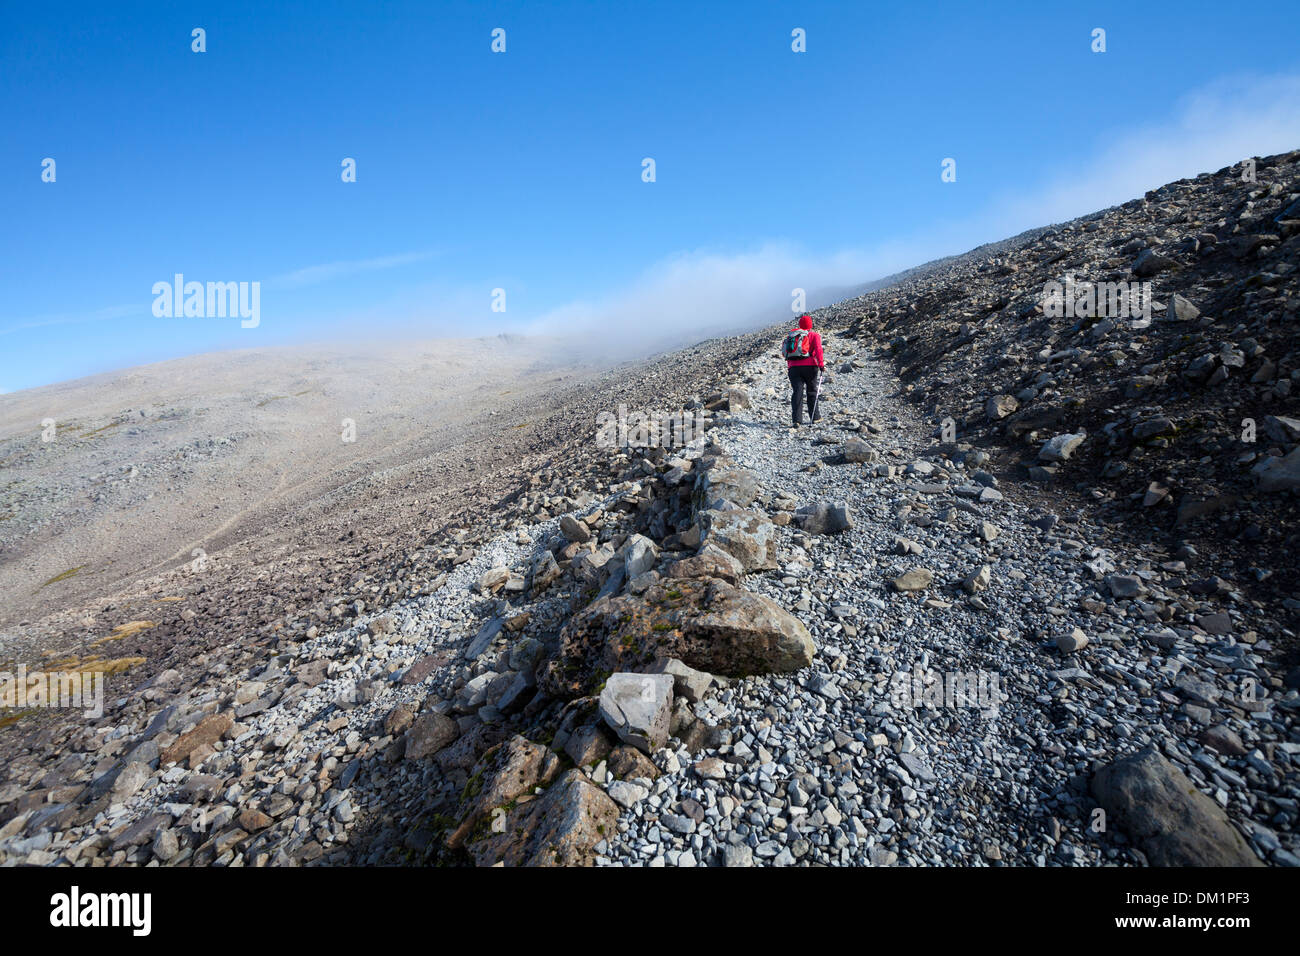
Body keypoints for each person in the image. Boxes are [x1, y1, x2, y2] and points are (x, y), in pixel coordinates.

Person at [784, 314, 824, 427]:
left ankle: (796, 420)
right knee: (811, 391)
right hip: (810, 367)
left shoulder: (792, 336)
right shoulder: (814, 335)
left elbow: (788, 353)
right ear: (810, 325)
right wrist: (821, 364)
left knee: (797, 392)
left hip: (793, 368)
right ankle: (815, 417)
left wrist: (791, 366)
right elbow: (818, 350)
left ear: (800, 325)